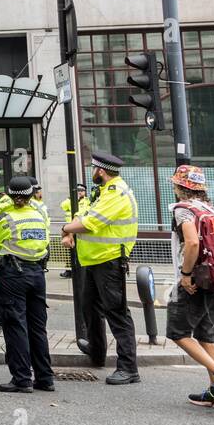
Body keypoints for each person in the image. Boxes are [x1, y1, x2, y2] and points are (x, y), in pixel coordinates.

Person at [61, 150, 140, 384]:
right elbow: (82, 213)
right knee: (90, 309)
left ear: (101, 171)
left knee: (116, 313)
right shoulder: (102, 191)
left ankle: (129, 367)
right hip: (94, 261)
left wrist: (67, 229)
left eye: (94, 169)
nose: (93, 173)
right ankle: (97, 352)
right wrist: (70, 229)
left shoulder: (116, 193)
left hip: (109, 261)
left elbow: (90, 222)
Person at [0, 175, 55, 393]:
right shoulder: (39, 215)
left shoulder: (7, 217)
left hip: (14, 274)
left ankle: (22, 378)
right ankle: (45, 377)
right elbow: (44, 241)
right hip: (37, 273)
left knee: (15, 325)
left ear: (10, 194)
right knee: (37, 327)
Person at [162, 166, 214, 407]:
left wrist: (186, 275)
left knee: (177, 332)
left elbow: (192, 243)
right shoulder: (212, 210)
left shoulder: (183, 210)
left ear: (179, 187)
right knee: (206, 335)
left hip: (197, 280)